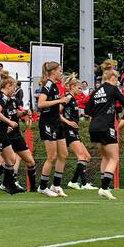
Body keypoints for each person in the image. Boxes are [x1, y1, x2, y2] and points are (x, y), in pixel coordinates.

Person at [86, 61, 124, 200]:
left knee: (105, 157)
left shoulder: (95, 92)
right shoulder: (112, 88)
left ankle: (103, 186)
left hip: (93, 127)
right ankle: (105, 187)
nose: (117, 82)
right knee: (114, 157)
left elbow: (88, 110)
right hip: (106, 126)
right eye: (117, 79)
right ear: (113, 78)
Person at [35, 61, 73, 197]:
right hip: (48, 124)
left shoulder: (56, 86)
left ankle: (56, 185)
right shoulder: (48, 85)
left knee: (64, 154)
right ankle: (42, 187)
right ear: (53, 72)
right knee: (52, 157)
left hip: (57, 123)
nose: (61, 73)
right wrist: (59, 101)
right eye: (60, 71)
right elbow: (41, 103)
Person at [61, 76, 96, 190]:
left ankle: (73, 182)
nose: (80, 91)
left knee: (87, 156)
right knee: (81, 156)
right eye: (79, 88)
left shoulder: (73, 99)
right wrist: (68, 122)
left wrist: (80, 116)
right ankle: (85, 183)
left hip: (74, 130)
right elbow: (56, 112)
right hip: (67, 130)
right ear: (72, 87)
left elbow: (70, 113)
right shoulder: (67, 98)